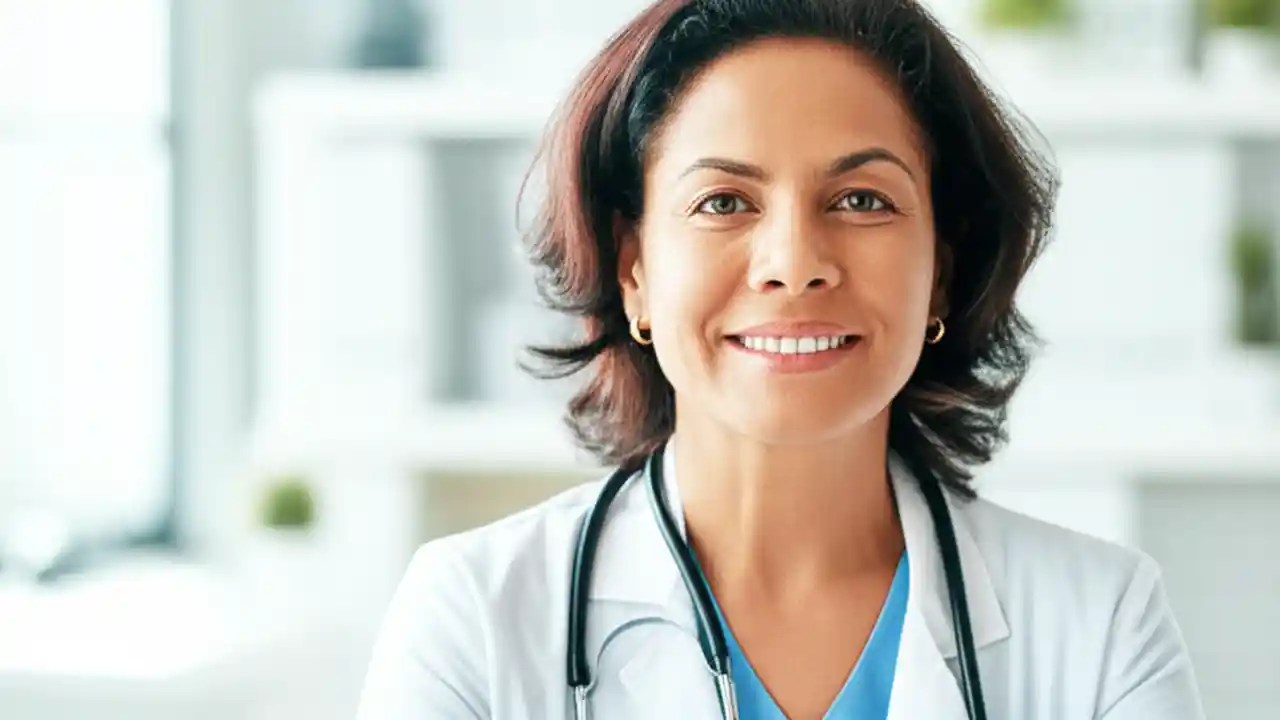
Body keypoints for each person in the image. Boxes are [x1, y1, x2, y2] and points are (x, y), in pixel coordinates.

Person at [355, 0, 1206, 718]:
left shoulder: (1102, 626)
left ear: (940, 272)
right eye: (724, 201)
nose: (794, 260)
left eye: (861, 199)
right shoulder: (472, 618)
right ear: (634, 271)